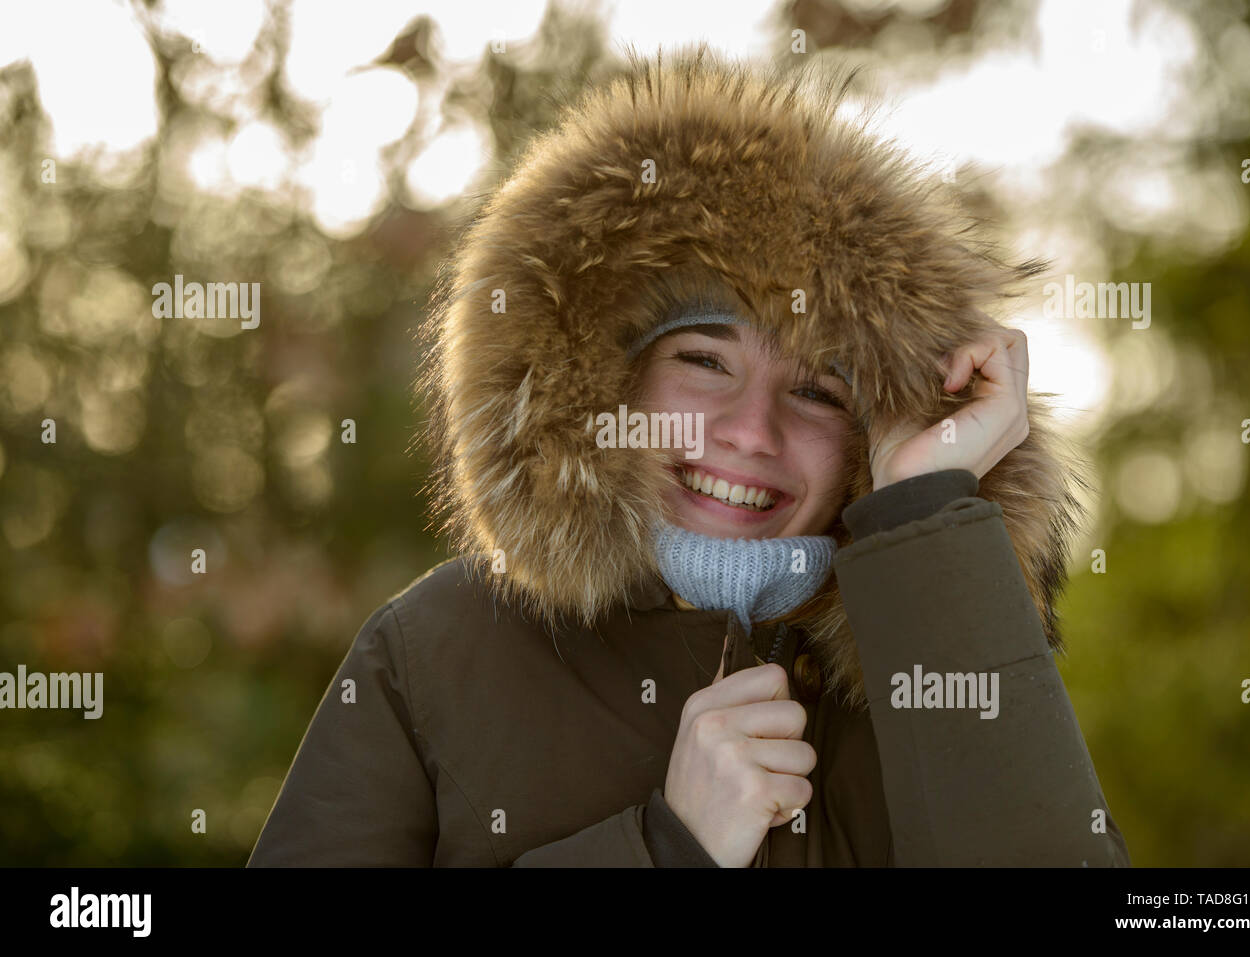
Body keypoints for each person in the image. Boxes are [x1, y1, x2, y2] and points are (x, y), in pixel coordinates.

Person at [247, 45, 1130, 867]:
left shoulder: (935, 650)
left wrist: (927, 506)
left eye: (820, 391)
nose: (752, 430)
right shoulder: (435, 649)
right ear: (604, 385)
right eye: (704, 362)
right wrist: (667, 848)